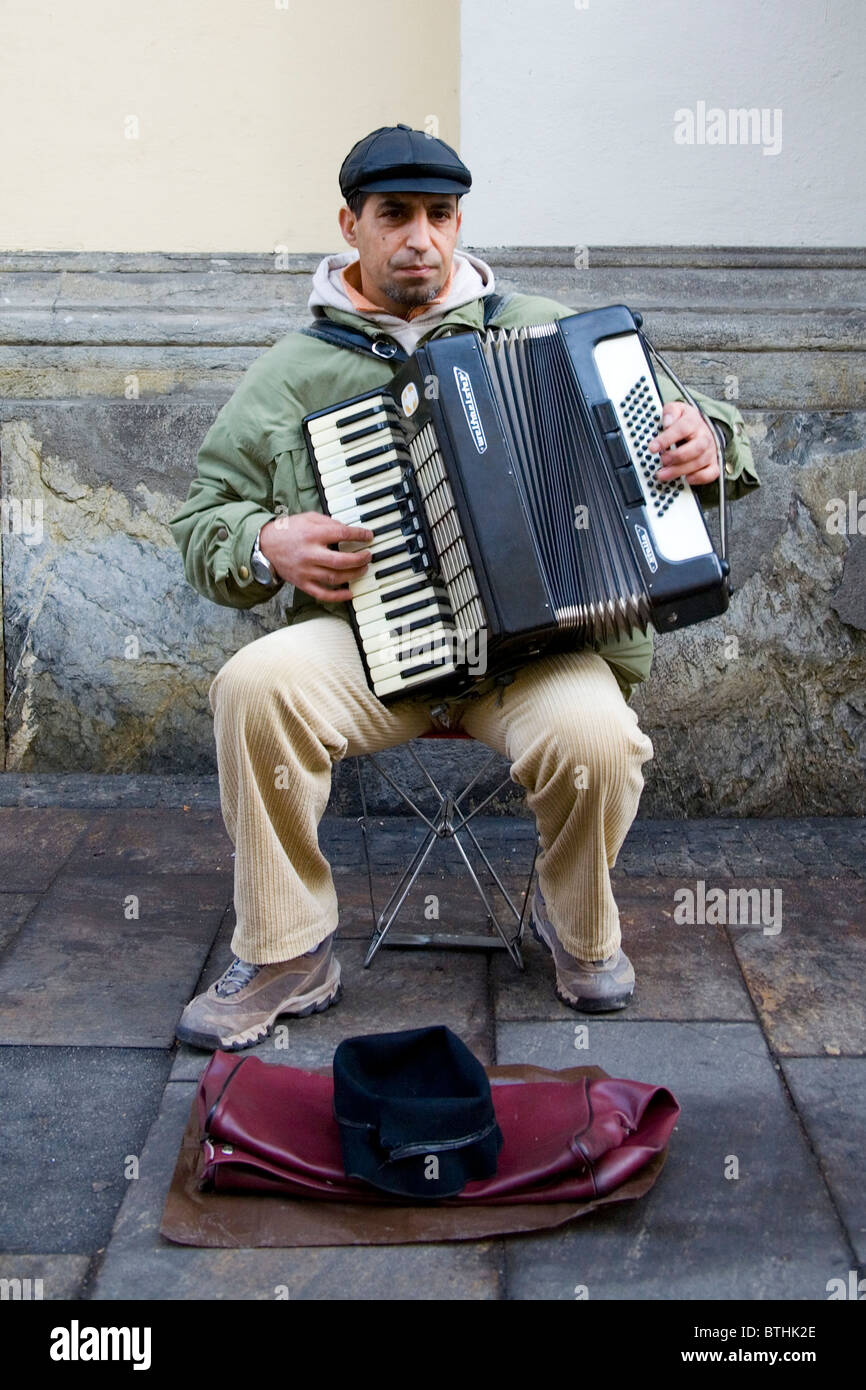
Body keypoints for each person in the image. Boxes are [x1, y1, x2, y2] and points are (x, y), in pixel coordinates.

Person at [168, 124, 759, 1052]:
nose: (420, 239)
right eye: (394, 216)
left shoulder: (541, 329)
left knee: (599, 738)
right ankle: (287, 950)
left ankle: (578, 926)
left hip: (540, 651)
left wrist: (708, 440)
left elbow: (704, 421)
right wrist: (265, 541)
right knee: (254, 684)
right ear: (350, 226)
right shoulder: (292, 374)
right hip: (372, 645)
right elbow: (204, 520)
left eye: (439, 216)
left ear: (458, 224)